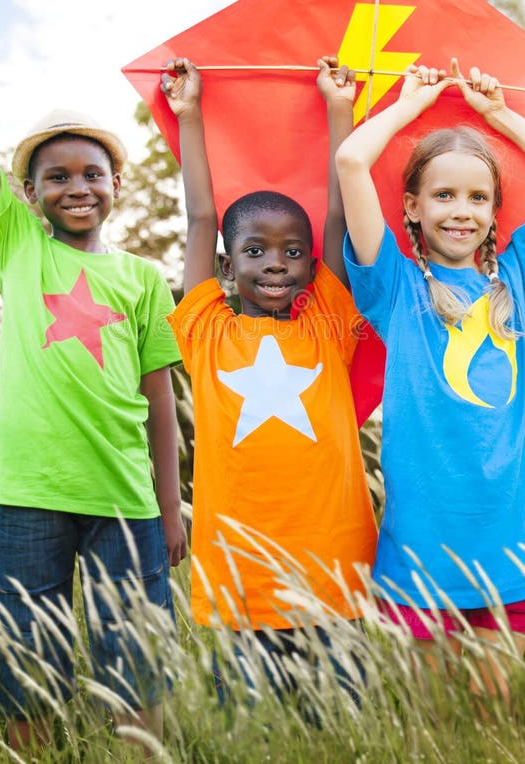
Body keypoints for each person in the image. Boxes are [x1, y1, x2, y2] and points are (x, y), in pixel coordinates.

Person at [0, 0, 187, 752]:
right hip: (28, 495)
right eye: (56, 177)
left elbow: (161, 402)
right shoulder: (20, 246)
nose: (76, 186)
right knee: (27, 664)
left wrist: (171, 505)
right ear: (27, 195)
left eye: (91, 173)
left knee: (136, 664)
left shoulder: (143, 278)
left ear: (117, 184)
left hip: (127, 502)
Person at [335, 57, 525, 703]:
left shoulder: (518, 280)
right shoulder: (394, 286)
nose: (461, 211)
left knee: (494, 715)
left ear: (495, 211)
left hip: (512, 535)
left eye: (478, 198)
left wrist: (498, 114)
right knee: (436, 721)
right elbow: (352, 161)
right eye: (443, 195)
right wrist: (409, 106)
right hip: (425, 539)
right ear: (412, 207)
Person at [160, 56, 378, 705]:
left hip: (333, 566)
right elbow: (201, 218)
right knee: (254, 731)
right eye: (255, 251)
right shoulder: (206, 331)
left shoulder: (329, 324)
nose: (276, 263)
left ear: (311, 266)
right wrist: (189, 114)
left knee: (339, 725)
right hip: (241, 570)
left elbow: (337, 217)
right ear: (228, 268)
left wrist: (340, 108)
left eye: (292, 251)